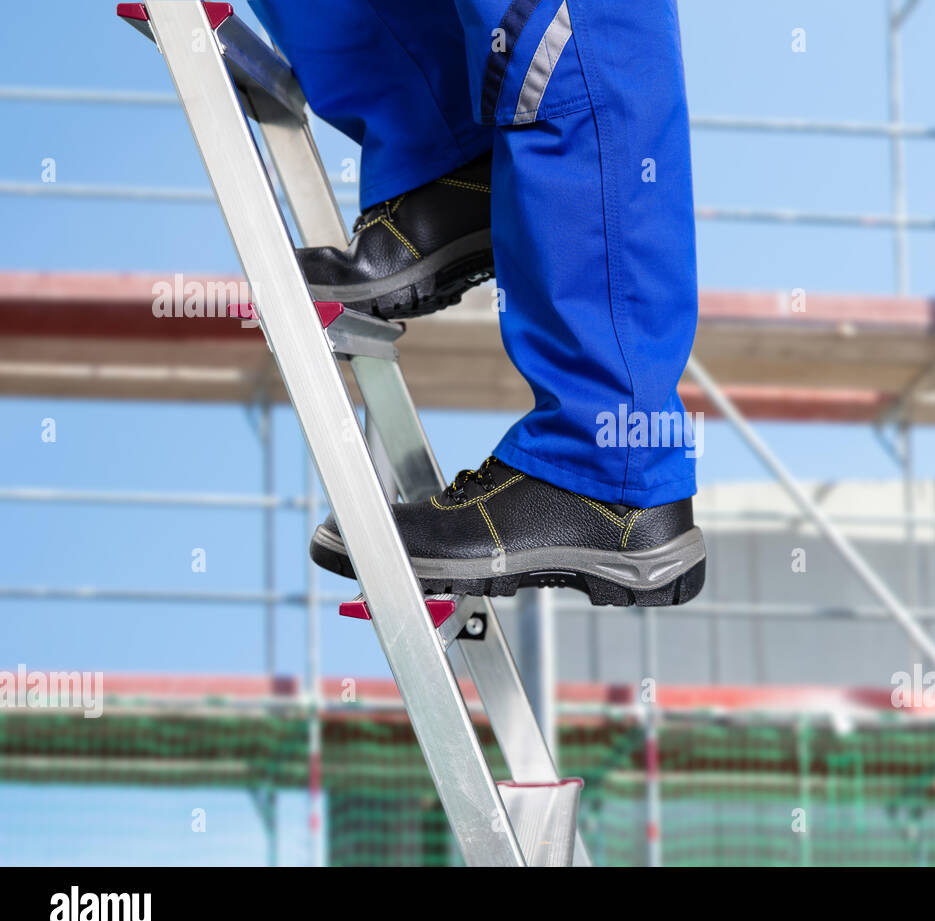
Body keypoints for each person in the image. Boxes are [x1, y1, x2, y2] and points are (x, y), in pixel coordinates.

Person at [249, 0, 705, 606]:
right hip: (444, 140)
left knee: (566, 21)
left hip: (611, 454)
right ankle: (451, 164)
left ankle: (606, 464)